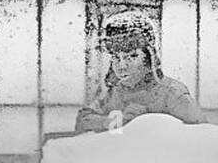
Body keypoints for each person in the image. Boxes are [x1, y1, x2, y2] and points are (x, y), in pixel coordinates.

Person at [75, 10, 205, 132]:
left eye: (132, 56)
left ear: (149, 57)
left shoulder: (172, 93)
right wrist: (115, 122)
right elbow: (82, 121)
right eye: (116, 57)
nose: (122, 66)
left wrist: (148, 121)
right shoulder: (114, 93)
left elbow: (203, 136)